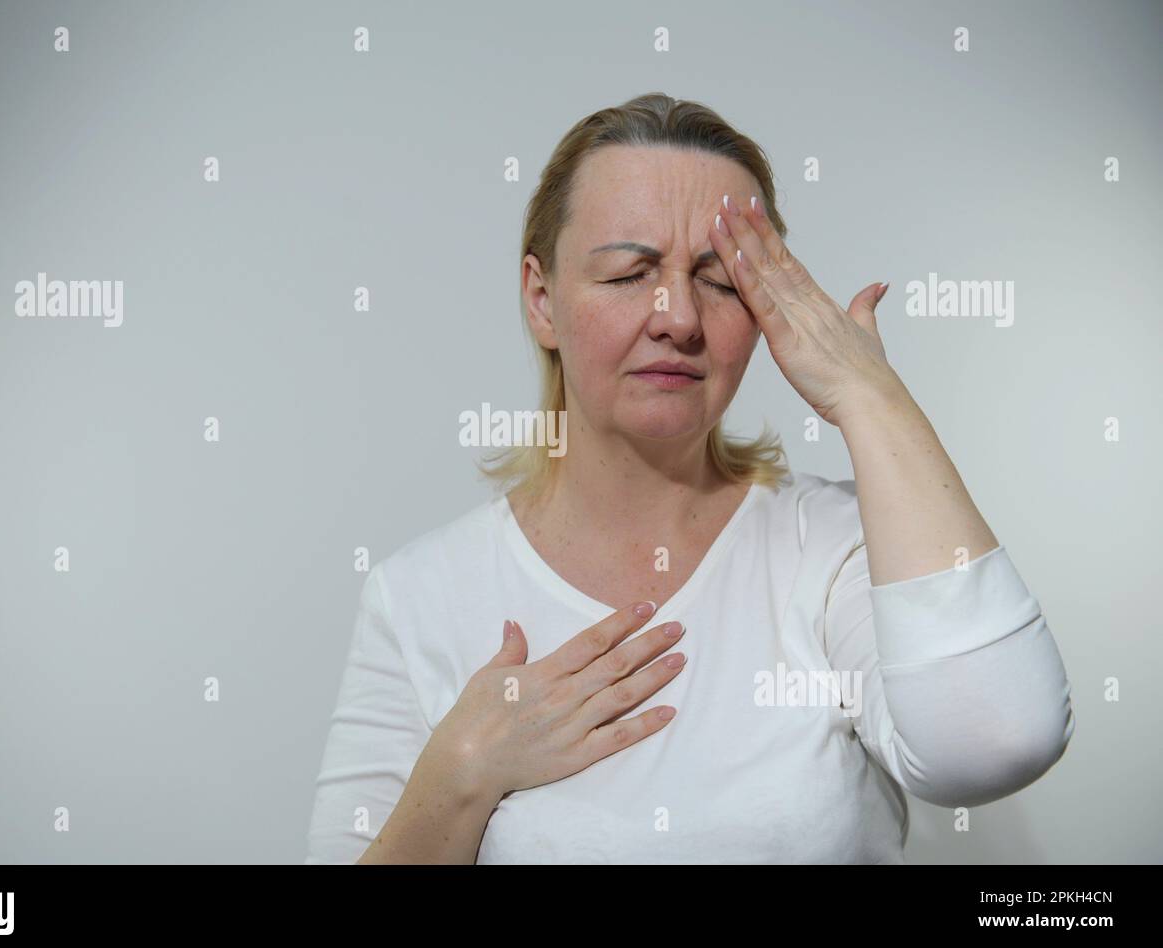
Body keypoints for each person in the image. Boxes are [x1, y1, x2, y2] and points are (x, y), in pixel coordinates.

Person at [303, 92, 1075, 864]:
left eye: (720, 280)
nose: (678, 317)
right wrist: (458, 777)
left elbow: (999, 738)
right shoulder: (418, 596)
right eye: (629, 273)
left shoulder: (837, 546)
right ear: (542, 300)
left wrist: (870, 398)